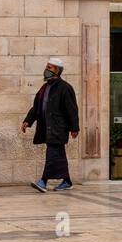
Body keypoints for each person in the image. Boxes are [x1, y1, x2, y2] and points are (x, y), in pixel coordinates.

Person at [24, 57, 80, 192]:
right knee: (58, 155)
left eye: (49, 67)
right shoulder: (45, 88)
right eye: (46, 67)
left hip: (58, 128)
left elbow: (72, 109)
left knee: (52, 154)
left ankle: (43, 181)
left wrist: (74, 128)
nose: (46, 70)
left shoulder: (65, 88)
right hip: (47, 128)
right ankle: (66, 181)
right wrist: (28, 121)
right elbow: (36, 107)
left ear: (56, 70)